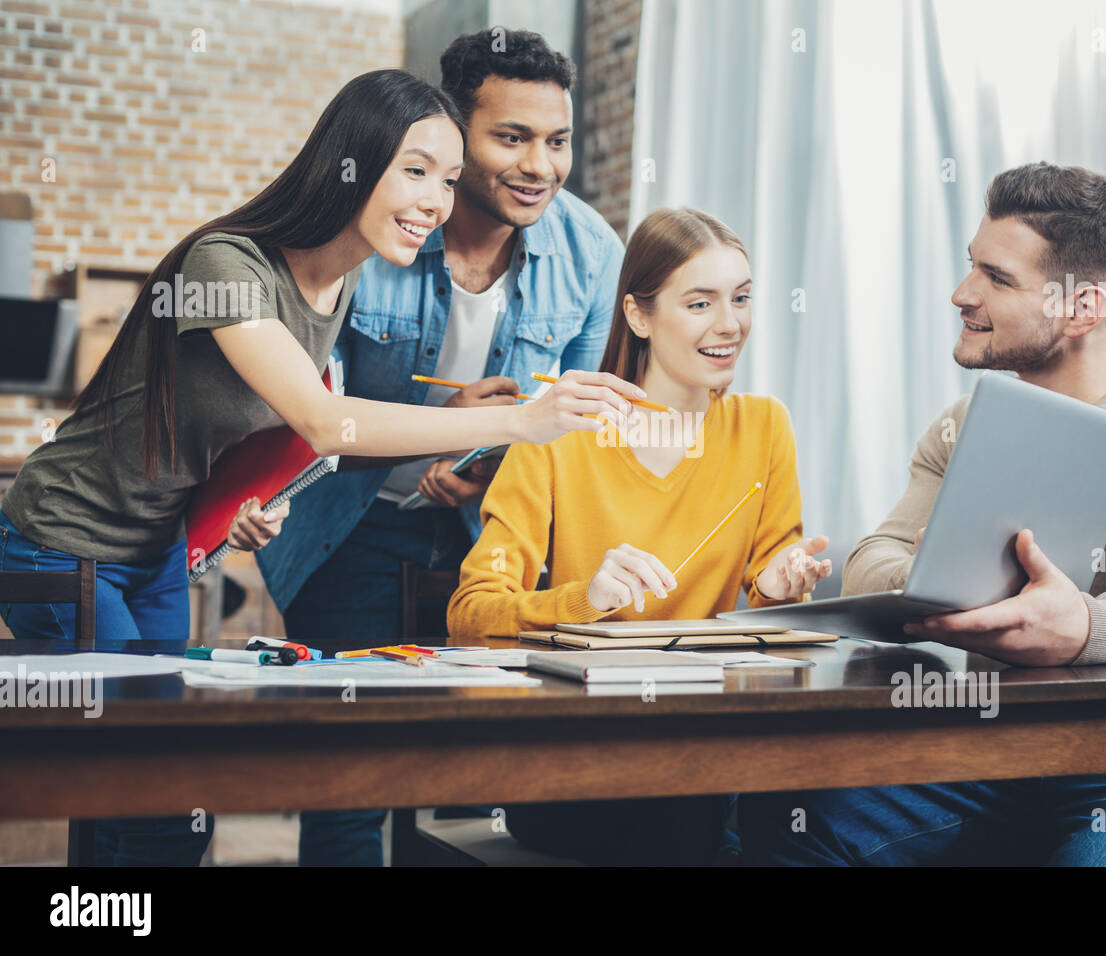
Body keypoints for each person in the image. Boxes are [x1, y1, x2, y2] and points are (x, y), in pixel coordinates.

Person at [0, 68, 642, 867]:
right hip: (62, 543)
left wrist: (237, 501)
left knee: (171, 798)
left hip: (155, 548)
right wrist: (521, 419)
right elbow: (323, 421)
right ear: (352, 162)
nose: (437, 202)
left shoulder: (332, 286)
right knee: (146, 787)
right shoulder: (223, 266)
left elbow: (249, 430)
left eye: (447, 180)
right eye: (414, 171)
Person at [740, 162, 1106, 866]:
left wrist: (1082, 625)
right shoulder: (961, 425)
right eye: (971, 268)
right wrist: (938, 577)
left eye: (997, 278)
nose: (963, 294)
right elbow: (876, 558)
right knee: (791, 812)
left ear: (1083, 307)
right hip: (999, 746)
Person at [254, 29, 625, 866]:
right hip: (352, 529)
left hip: (493, 543)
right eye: (511, 137)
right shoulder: (372, 232)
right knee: (352, 783)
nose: (541, 165)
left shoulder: (593, 252)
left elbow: (573, 420)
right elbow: (310, 417)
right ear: (452, 134)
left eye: (557, 141)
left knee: (469, 786)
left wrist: (497, 461)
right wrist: (459, 425)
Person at [448, 208, 833, 865]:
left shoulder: (764, 428)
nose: (730, 324)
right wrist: (584, 599)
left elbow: (776, 635)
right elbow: (469, 615)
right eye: (700, 302)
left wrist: (775, 589)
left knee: (784, 805)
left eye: (741, 299)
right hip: (575, 758)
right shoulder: (560, 432)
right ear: (639, 315)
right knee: (692, 807)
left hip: (705, 755)